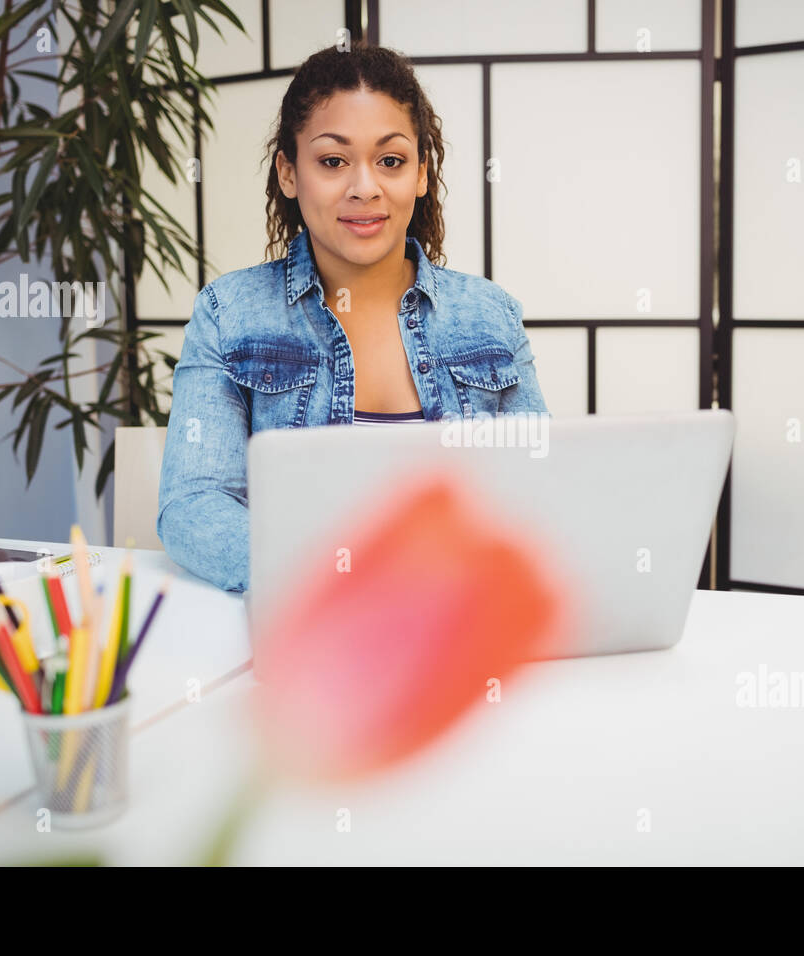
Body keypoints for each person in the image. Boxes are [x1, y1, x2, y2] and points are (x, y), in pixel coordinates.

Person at [157, 41, 549, 592]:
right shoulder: (229, 314)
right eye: (333, 161)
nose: (365, 188)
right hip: (304, 624)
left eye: (390, 161)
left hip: (458, 620)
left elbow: (538, 491)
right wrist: (332, 585)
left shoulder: (491, 316)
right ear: (289, 173)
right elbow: (194, 504)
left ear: (421, 174)